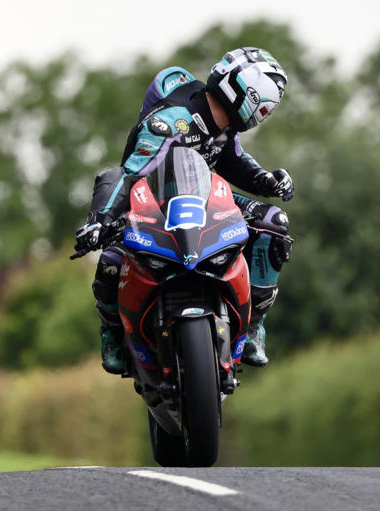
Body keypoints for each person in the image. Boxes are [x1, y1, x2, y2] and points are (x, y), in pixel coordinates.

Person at [75, 47, 293, 374]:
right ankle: (113, 334)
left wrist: (268, 180)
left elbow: (234, 161)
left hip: (205, 200)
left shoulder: (223, 127)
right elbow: (130, 173)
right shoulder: (171, 122)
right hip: (148, 204)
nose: (266, 111)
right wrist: (100, 221)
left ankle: (251, 328)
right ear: (248, 93)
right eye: (266, 103)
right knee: (109, 262)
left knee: (273, 224)